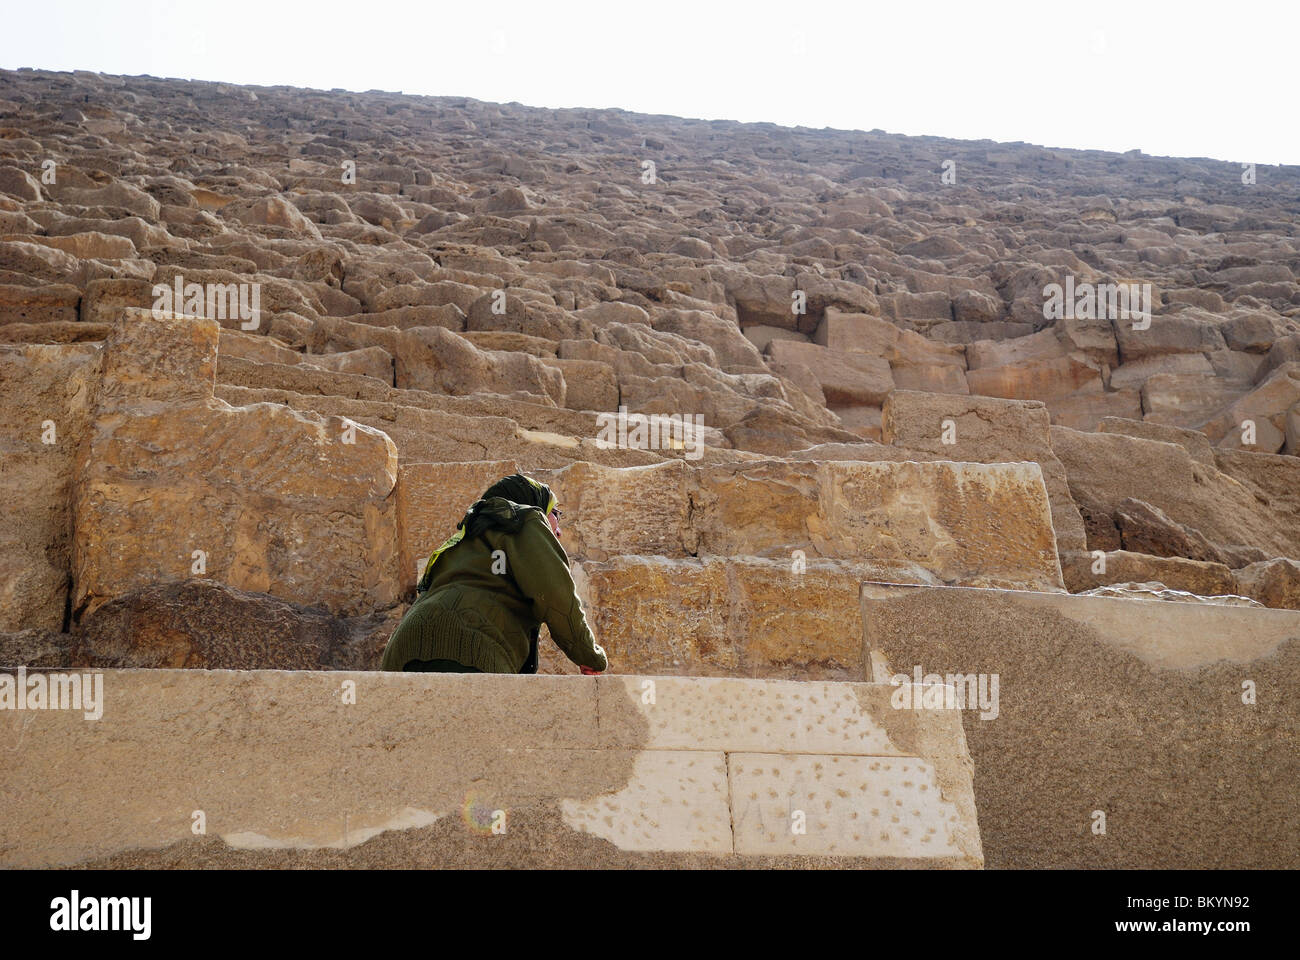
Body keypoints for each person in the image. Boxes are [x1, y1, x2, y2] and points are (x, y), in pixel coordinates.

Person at [379, 473, 608, 675]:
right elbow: (557, 598)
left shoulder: (462, 541)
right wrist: (590, 656)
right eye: (555, 512)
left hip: (402, 653)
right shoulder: (524, 519)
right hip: (468, 647)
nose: (558, 530)